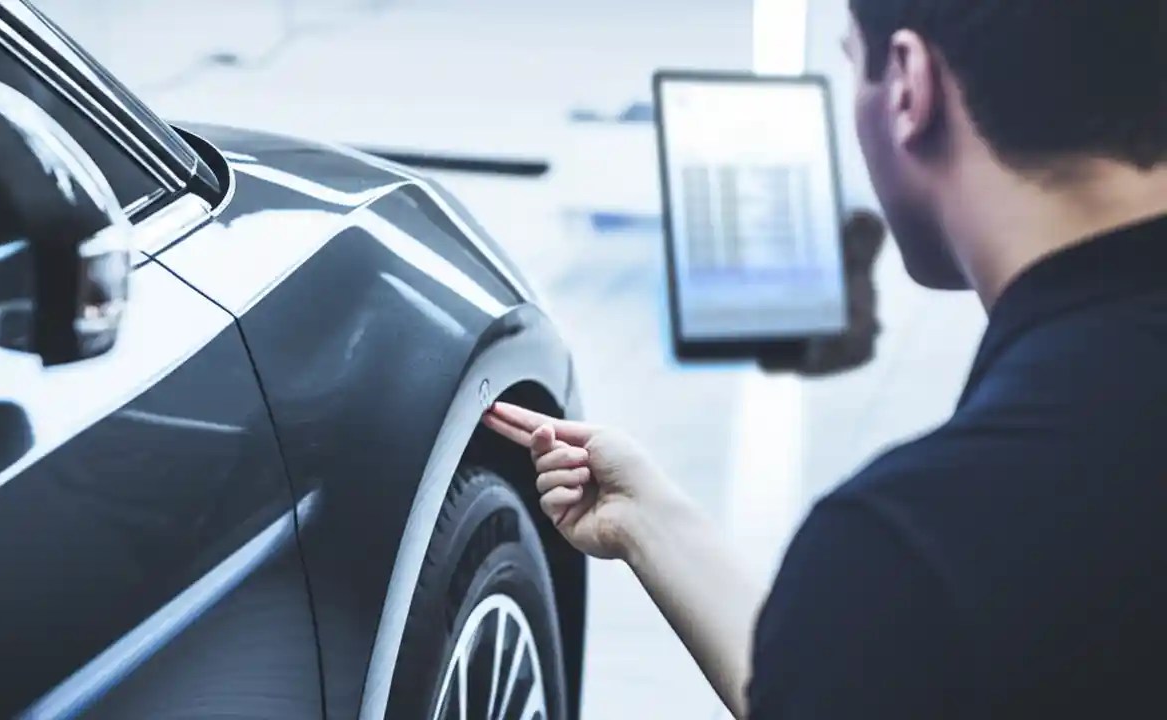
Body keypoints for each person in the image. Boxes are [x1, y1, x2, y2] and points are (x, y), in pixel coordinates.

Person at [484, 0, 1167, 717]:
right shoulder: (935, 568)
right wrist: (650, 520)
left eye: (849, 62)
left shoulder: (920, 548)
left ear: (907, 84)